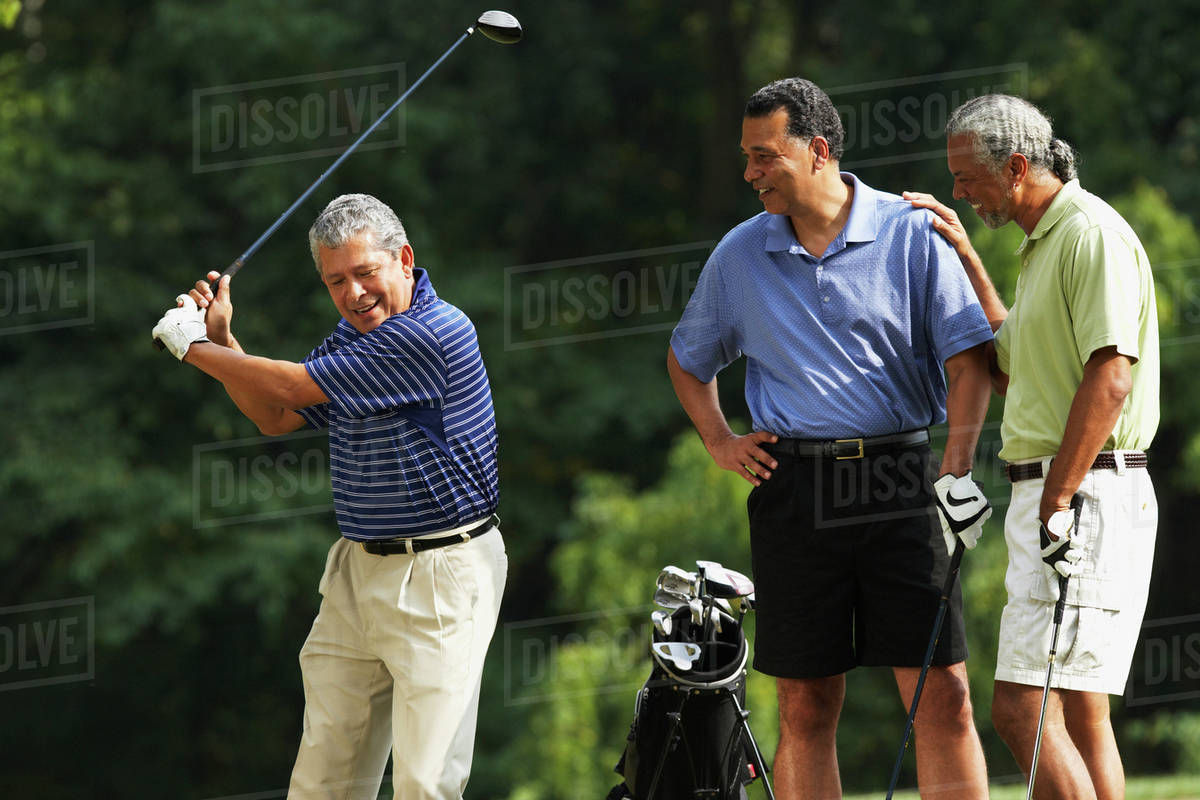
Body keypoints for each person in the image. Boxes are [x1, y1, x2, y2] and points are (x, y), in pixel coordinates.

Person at [667, 77, 994, 800]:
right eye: (747, 158)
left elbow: (971, 362)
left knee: (941, 696)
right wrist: (721, 442)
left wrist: (957, 471)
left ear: (816, 151)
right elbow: (688, 362)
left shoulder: (911, 232)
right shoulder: (739, 254)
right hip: (795, 492)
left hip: (903, 483)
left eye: (764, 157)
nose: (750, 174)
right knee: (804, 704)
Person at [152, 193, 507, 800]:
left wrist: (194, 349)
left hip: (441, 575)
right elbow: (278, 415)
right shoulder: (351, 339)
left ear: (404, 258)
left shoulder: (433, 333)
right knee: (324, 779)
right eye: (335, 281)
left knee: (425, 784)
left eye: (365, 274)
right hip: (358, 571)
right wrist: (223, 340)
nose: (353, 294)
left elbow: (293, 383)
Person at [906, 94, 1159, 800]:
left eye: (966, 177)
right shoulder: (1040, 245)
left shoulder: (1089, 235)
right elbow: (1012, 362)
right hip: (1067, 494)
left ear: (1016, 166)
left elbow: (1111, 377)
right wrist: (966, 255)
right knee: (1078, 710)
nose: (958, 188)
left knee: (1020, 706)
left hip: (1080, 494)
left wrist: (1056, 501)